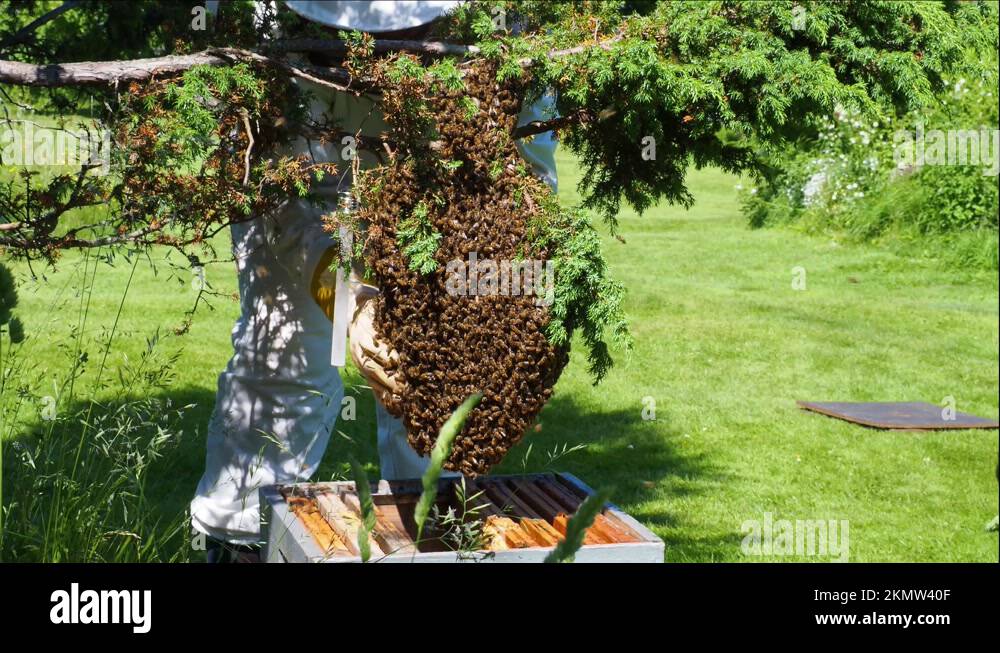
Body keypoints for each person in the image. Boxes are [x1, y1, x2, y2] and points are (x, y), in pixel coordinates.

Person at [190, 0, 558, 562]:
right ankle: (239, 543)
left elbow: (523, 184)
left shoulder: (502, 20)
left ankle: (433, 532)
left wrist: (511, 306)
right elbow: (278, 208)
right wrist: (349, 304)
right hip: (307, 197)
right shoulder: (264, 21)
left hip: (440, 213)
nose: (391, 41)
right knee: (281, 370)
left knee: (441, 389)